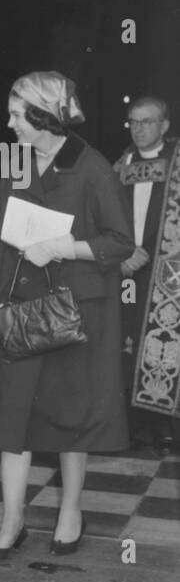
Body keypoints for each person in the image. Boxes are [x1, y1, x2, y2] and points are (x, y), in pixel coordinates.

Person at [0, 72, 133, 561]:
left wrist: (65, 246)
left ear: (43, 116)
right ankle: (12, 521)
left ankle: (70, 510)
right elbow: (0, 238)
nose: (9, 125)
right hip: (23, 307)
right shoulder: (17, 165)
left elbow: (120, 242)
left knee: (72, 415)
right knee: (13, 413)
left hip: (77, 311)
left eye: (16, 115)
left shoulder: (92, 167)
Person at [115, 95, 180, 453]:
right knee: (129, 345)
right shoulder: (119, 164)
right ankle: (135, 428)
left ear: (165, 126)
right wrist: (123, 254)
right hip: (127, 272)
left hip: (170, 274)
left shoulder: (176, 163)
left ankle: (167, 429)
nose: (138, 129)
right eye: (133, 122)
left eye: (147, 121)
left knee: (166, 348)